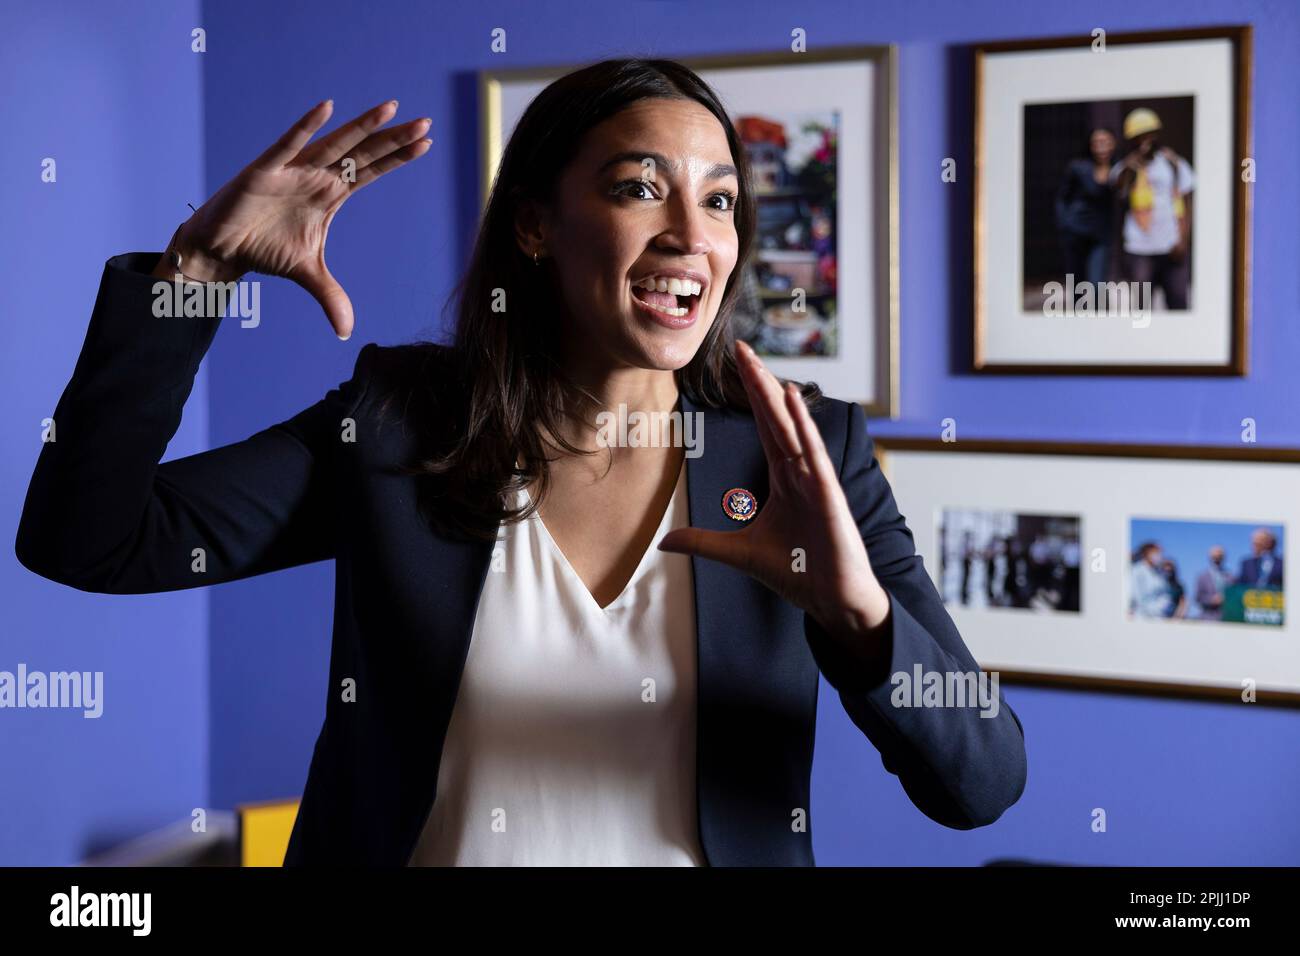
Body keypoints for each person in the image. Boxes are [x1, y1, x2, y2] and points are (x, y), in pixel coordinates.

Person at [14, 59, 1026, 866]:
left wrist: (862, 622)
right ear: (535, 224)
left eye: (718, 202)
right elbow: (90, 539)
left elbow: (981, 784)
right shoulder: (403, 425)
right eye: (639, 187)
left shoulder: (802, 455)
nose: (690, 235)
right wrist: (194, 274)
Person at [1110, 107, 1194, 309]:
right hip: (1140, 248)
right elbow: (1118, 188)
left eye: (1148, 134)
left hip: (1171, 245)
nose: (1144, 140)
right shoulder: (1125, 167)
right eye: (1138, 136)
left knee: (1178, 304)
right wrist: (1132, 165)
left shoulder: (1173, 163)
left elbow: (1187, 199)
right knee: (1142, 309)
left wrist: (1184, 238)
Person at [1055, 127, 1117, 289]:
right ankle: (1079, 314)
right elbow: (1062, 197)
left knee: (1097, 286)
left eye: (1105, 142)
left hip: (1100, 236)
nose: (1101, 146)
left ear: (1113, 144)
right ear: (1090, 145)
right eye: (1097, 142)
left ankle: (1097, 313)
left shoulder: (1119, 169)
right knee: (1077, 285)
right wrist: (1064, 223)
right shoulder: (1078, 168)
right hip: (1076, 231)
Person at [1130, 542, 1172, 618]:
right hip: (1140, 616)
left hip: (1158, 616)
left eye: (1160, 554)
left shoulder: (1160, 575)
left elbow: (1166, 596)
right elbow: (1134, 595)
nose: (1159, 556)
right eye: (1156, 553)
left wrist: (1159, 608)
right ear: (1147, 553)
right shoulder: (1136, 570)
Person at [1193, 545, 1235, 620]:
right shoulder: (1202, 577)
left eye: (1219, 557)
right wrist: (1211, 600)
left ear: (1223, 558)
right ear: (1210, 557)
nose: (1217, 559)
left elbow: (1235, 596)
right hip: (1207, 618)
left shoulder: (1231, 577)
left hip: (1227, 617)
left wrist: (1226, 599)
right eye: (1214, 557)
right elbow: (1197, 598)